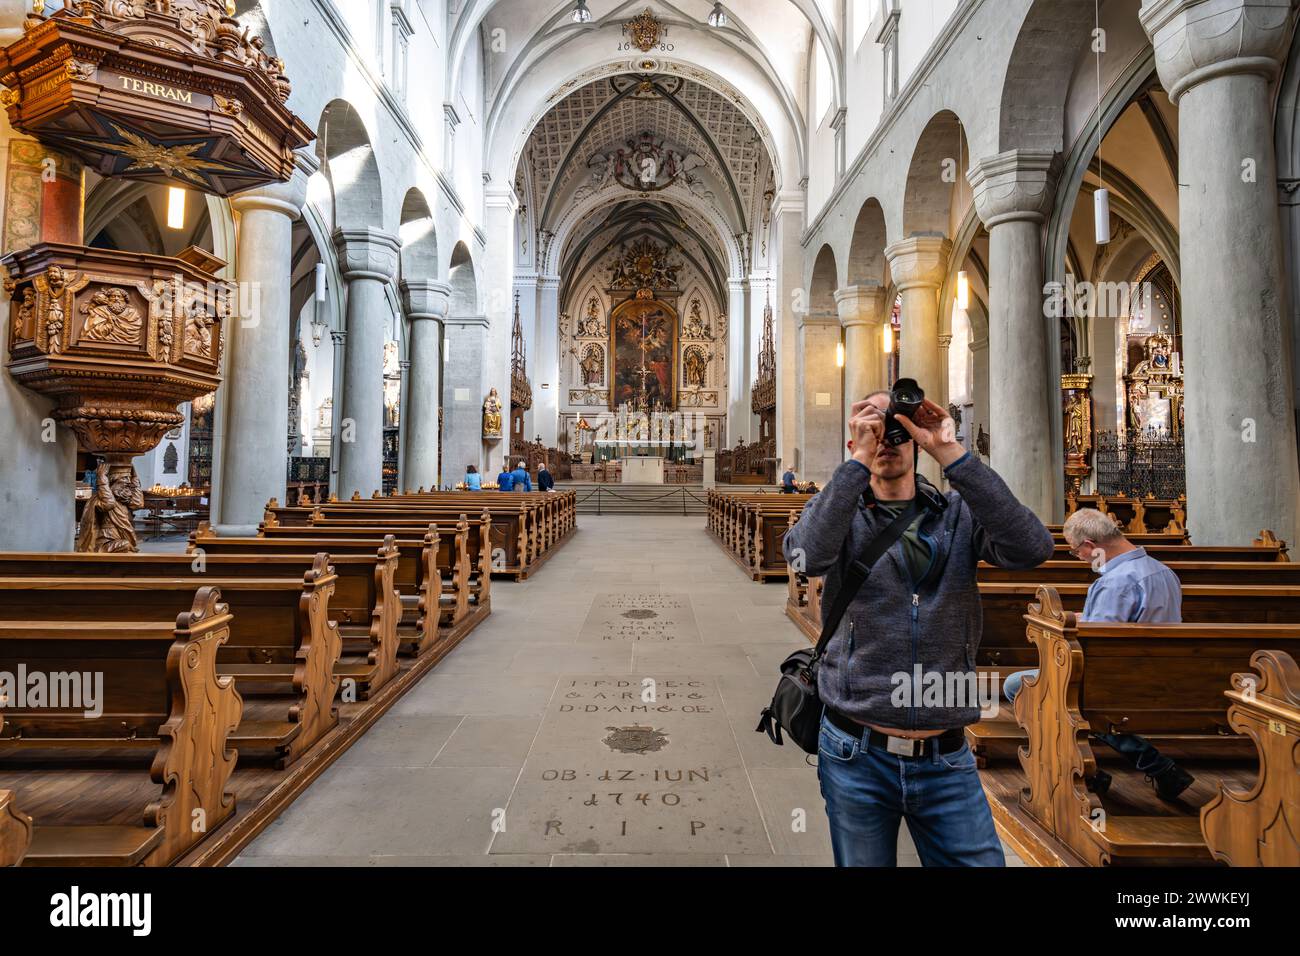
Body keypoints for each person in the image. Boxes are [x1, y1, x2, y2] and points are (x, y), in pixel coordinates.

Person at [782, 390, 1054, 867]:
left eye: (897, 428)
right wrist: (857, 461)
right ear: (854, 438)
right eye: (875, 427)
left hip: (945, 754)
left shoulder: (957, 516)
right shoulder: (842, 516)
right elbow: (805, 555)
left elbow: (1032, 547)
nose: (888, 438)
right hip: (855, 751)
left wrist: (950, 451)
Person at [1002, 508, 1194, 801]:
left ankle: (1083, 772)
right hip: (1160, 674)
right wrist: (1081, 617)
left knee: (1019, 685)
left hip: (1115, 679)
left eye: (1076, 551)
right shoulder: (1161, 570)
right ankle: (1157, 768)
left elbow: (1096, 646)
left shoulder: (1116, 581)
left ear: (1091, 546)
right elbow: (1121, 625)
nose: (1078, 557)